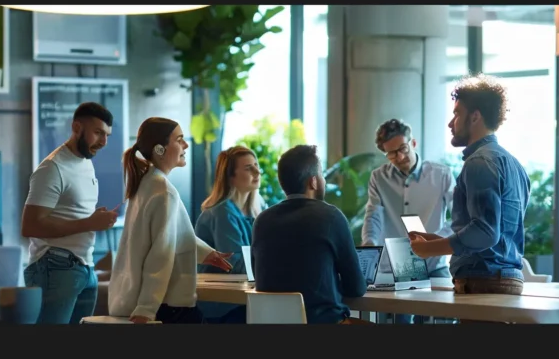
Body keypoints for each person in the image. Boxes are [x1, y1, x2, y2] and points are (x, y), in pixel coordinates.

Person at [408, 74, 531, 308]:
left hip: (482, 282)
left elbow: (485, 232)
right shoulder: (514, 165)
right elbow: (495, 234)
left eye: (456, 114)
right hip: (505, 279)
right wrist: (439, 241)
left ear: (475, 117)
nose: (450, 123)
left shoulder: (479, 162)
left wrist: (430, 249)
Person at [107, 117, 233, 324]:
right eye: (179, 140)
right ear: (159, 149)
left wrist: (206, 253)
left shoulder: (147, 184)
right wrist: (146, 309)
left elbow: (172, 236)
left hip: (145, 302)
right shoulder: (164, 191)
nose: (186, 145)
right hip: (167, 307)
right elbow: (161, 253)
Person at [21, 102, 119, 325]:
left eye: (107, 135)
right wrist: (89, 223)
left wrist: (95, 219)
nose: (104, 142)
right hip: (56, 266)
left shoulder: (85, 162)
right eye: (98, 133)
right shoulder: (52, 168)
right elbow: (30, 226)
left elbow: (72, 213)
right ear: (76, 128)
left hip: (85, 265)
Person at [251, 145, 369, 324]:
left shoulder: (262, 221)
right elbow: (356, 288)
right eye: (321, 174)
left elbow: (259, 276)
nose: (324, 181)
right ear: (313, 182)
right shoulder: (330, 217)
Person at [361, 118, 454, 324]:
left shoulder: (441, 175)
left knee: (443, 317)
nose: (400, 157)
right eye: (392, 154)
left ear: (413, 143)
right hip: (396, 267)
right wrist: (369, 245)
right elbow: (373, 215)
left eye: (403, 148)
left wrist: (434, 242)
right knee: (398, 323)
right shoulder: (379, 178)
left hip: (434, 263)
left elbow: (459, 218)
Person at [194, 145, 264, 323]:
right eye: (248, 168)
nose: (257, 172)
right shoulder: (223, 213)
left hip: (243, 298)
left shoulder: (257, 210)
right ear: (230, 176)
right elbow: (236, 264)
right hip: (223, 306)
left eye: (256, 165)